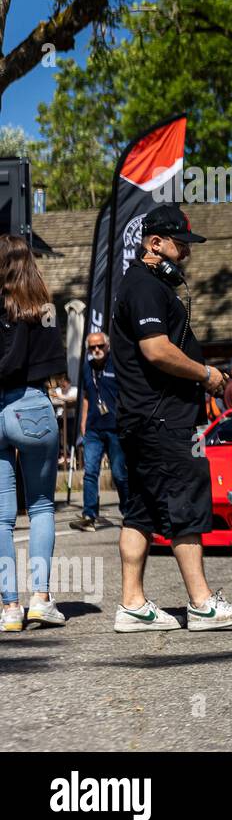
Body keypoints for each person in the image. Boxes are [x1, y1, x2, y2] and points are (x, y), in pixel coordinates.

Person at [110, 205, 232, 632]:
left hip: (145, 418)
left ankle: (132, 605)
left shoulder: (146, 285)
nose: (186, 255)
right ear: (154, 243)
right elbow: (155, 349)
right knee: (187, 504)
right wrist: (207, 374)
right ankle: (202, 604)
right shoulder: (143, 287)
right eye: (180, 245)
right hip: (163, 420)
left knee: (139, 510)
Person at [0, 236, 66, 630]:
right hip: (32, 406)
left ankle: (9, 607)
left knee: (1, 517)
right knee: (41, 506)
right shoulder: (44, 308)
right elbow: (54, 366)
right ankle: (40, 598)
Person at [75, 332, 129, 531]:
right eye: (92, 347)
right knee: (90, 472)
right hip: (93, 430)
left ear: (107, 346)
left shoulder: (117, 365)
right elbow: (87, 396)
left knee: (119, 474)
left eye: (99, 346)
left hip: (116, 429)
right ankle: (89, 514)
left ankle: (128, 512)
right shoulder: (86, 368)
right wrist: (83, 421)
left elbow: (127, 393)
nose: (96, 350)